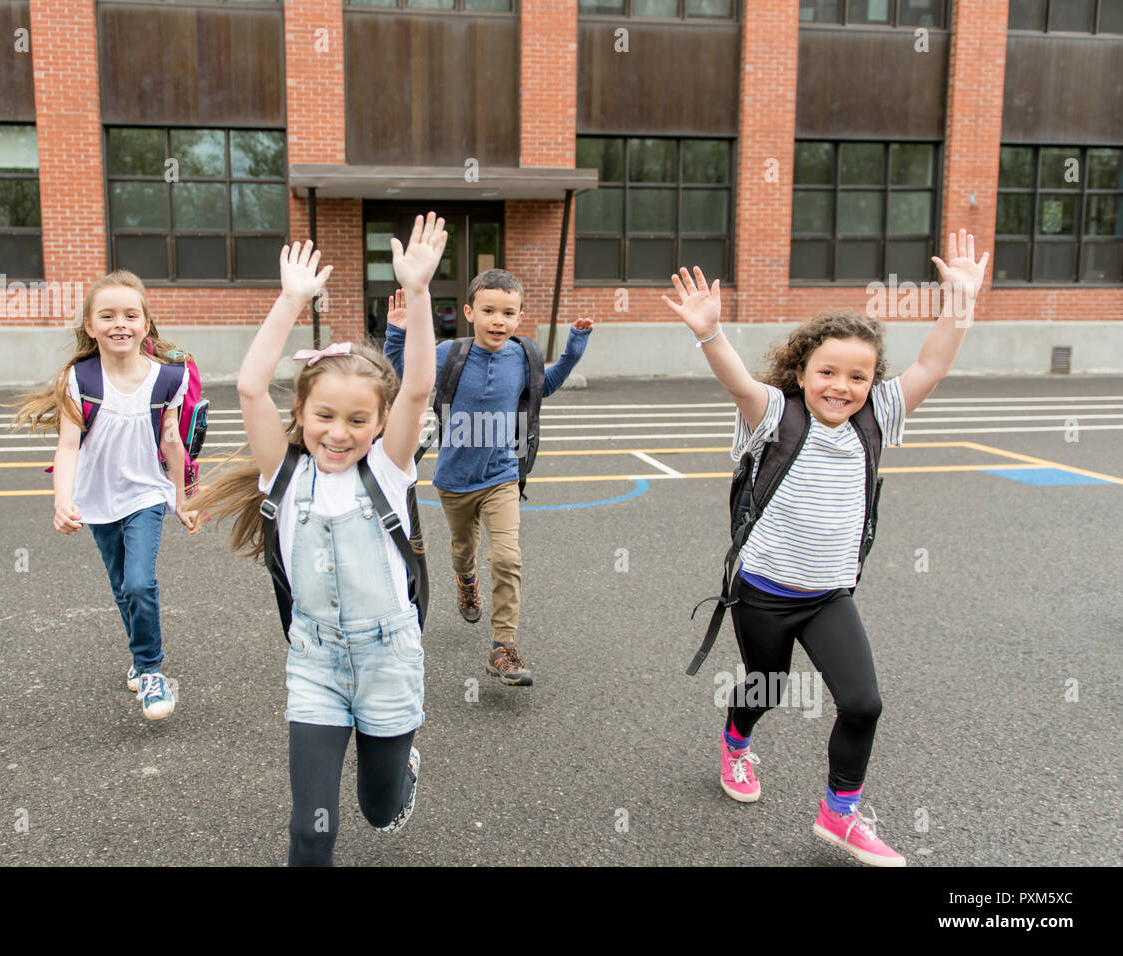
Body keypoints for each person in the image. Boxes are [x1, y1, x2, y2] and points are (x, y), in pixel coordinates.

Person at [663, 230, 989, 867]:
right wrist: (708, 332)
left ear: (873, 381)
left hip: (828, 594)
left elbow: (932, 364)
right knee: (766, 684)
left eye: (858, 376)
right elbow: (735, 379)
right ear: (802, 371)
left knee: (864, 703)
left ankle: (838, 815)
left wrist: (960, 303)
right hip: (762, 592)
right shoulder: (772, 415)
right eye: (828, 373)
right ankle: (736, 742)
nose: (842, 386)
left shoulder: (878, 416)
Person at [192, 215, 446, 866]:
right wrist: (289, 301)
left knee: (378, 810)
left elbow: (418, 384)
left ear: (382, 423)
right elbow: (250, 386)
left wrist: (417, 291)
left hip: (389, 658)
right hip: (316, 661)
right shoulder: (285, 472)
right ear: (301, 417)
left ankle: (400, 773)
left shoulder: (388, 471)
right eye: (324, 416)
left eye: (358, 419)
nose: (339, 432)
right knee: (311, 828)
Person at [384, 270, 593, 685]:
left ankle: (503, 647)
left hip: (502, 474)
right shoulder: (448, 354)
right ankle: (466, 581)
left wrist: (573, 348)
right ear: (469, 312)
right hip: (454, 480)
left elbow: (544, 386)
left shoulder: (523, 356)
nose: (499, 320)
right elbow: (402, 376)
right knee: (464, 549)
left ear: (519, 317)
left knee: (507, 556)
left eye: (508, 312)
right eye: (489, 311)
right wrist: (396, 333)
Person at [11, 270, 200, 721]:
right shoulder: (78, 379)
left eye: (131, 314)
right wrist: (62, 501)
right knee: (121, 587)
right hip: (96, 498)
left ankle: (151, 671)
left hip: (145, 494)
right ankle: (140, 655)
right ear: (90, 326)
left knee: (138, 582)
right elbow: (67, 446)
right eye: (108, 315)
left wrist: (182, 498)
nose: (121, 323)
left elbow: (172, 443)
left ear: (146, 323)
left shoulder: (168, 380)